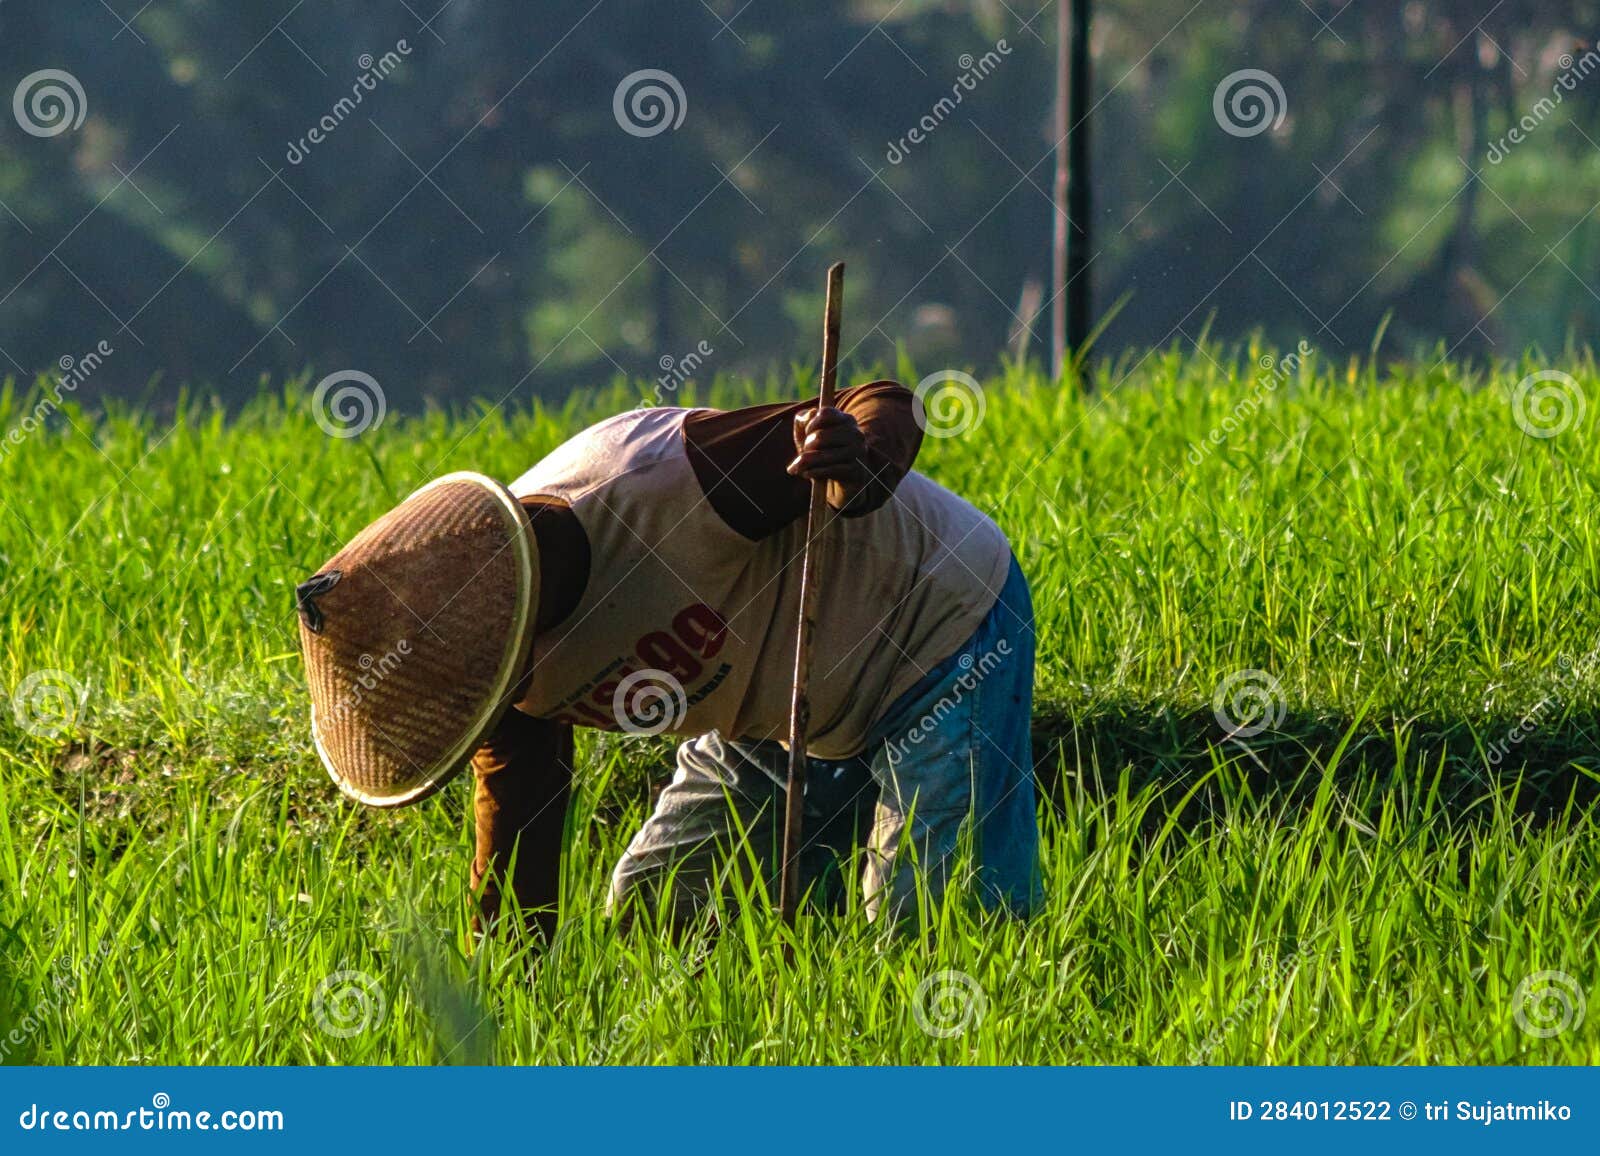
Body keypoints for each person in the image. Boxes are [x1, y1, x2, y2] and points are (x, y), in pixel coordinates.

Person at [294, 381, 1040, 942]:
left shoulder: (667, 482)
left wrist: (858, 463)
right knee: (659, 908)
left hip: (935, 634)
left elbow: (885, 400)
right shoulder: (488, 680)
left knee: (926, 926)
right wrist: (506, 1001)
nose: (497, 701)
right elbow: (519, 842)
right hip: (771, 708)